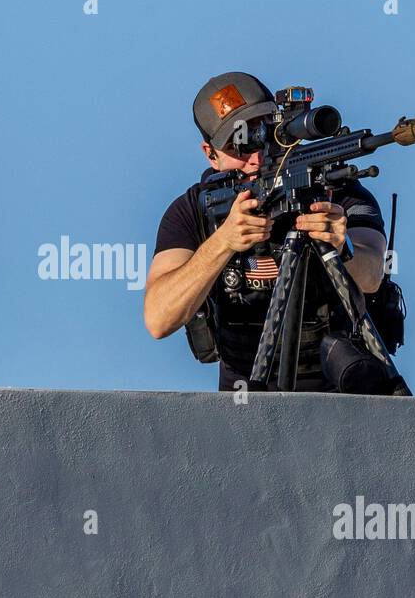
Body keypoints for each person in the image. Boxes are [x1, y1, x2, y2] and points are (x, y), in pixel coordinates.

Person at [144, 72, 389, 392]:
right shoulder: (193, 211)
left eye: (265, 133)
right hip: (247, 395)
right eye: (239, 144)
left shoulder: (333, 188)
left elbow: (371, 275)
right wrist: (222, 242)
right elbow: (159, 318)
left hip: (341, 388)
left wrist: (342, 247)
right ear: (211, 155)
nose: (257, 156)